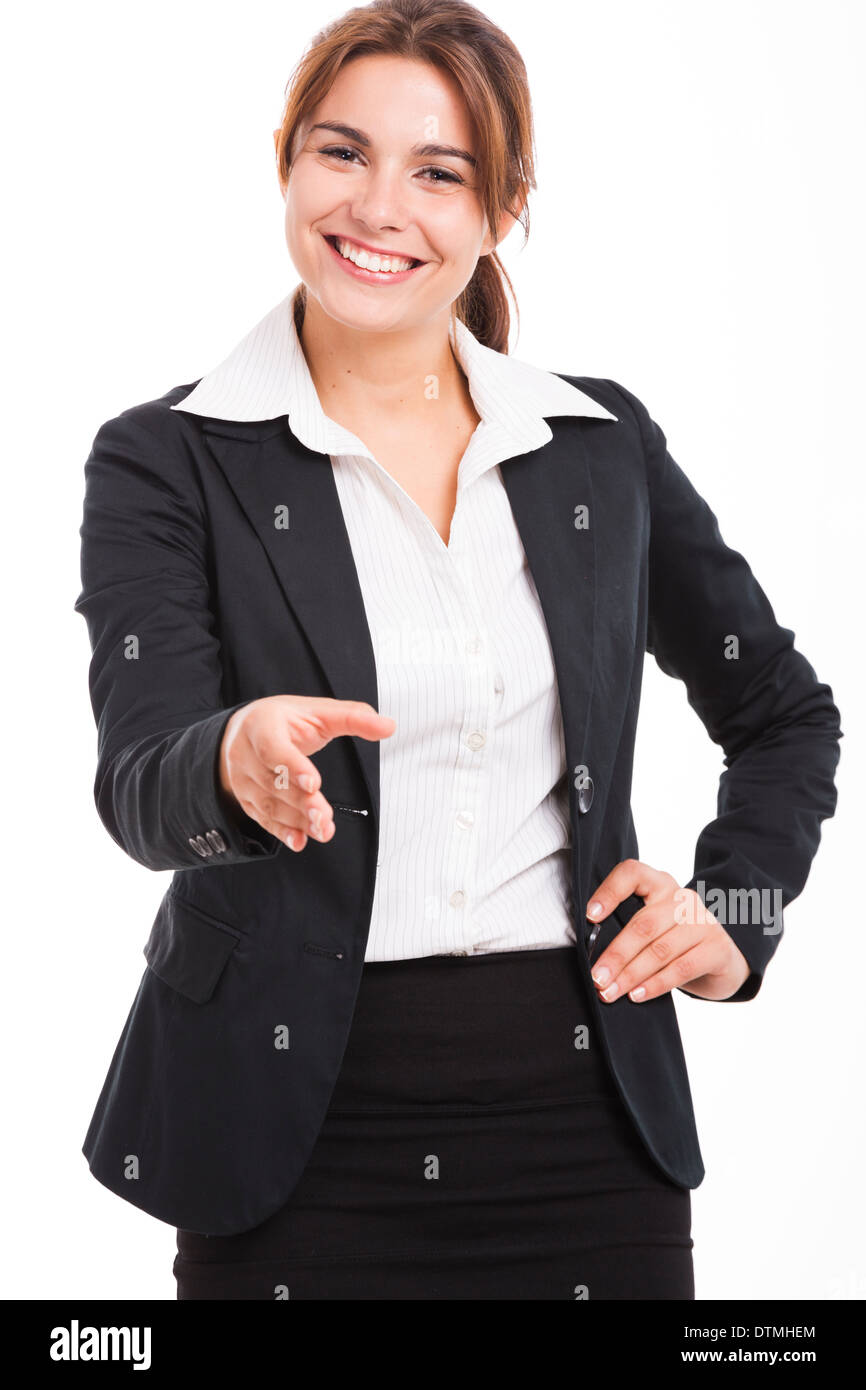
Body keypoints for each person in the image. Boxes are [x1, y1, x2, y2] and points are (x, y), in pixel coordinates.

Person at [73, 0, 842, 1301]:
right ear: (283, 157)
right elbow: (142, 783)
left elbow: (782, 710)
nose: (381, 207)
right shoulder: (167, 456)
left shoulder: (598, 444)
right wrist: (229, 767)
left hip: (588, 1132)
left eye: (440, 173)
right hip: (284, 1128)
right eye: (343, 152)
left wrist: (737, 913)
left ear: (501, 208)